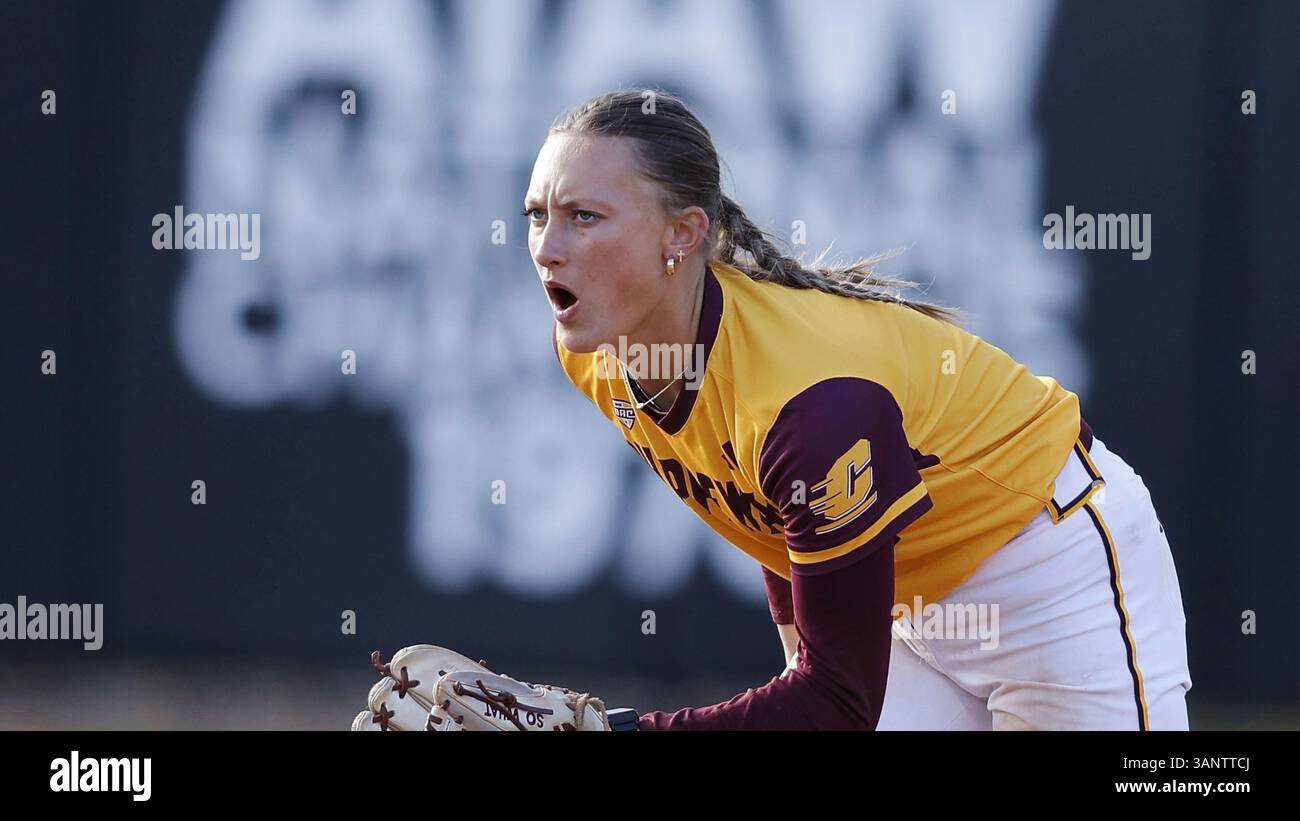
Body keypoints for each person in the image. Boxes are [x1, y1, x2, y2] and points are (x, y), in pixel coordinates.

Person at [523, 88, 1191, 730]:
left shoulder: (814, 401)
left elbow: (836, 703)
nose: (548, 247)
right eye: (537, 214)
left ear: (682, 233)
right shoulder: (596, 351)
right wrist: (795, 657)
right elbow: (760, 498)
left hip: (1050, 568)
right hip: (903, 602)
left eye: (585, 216)